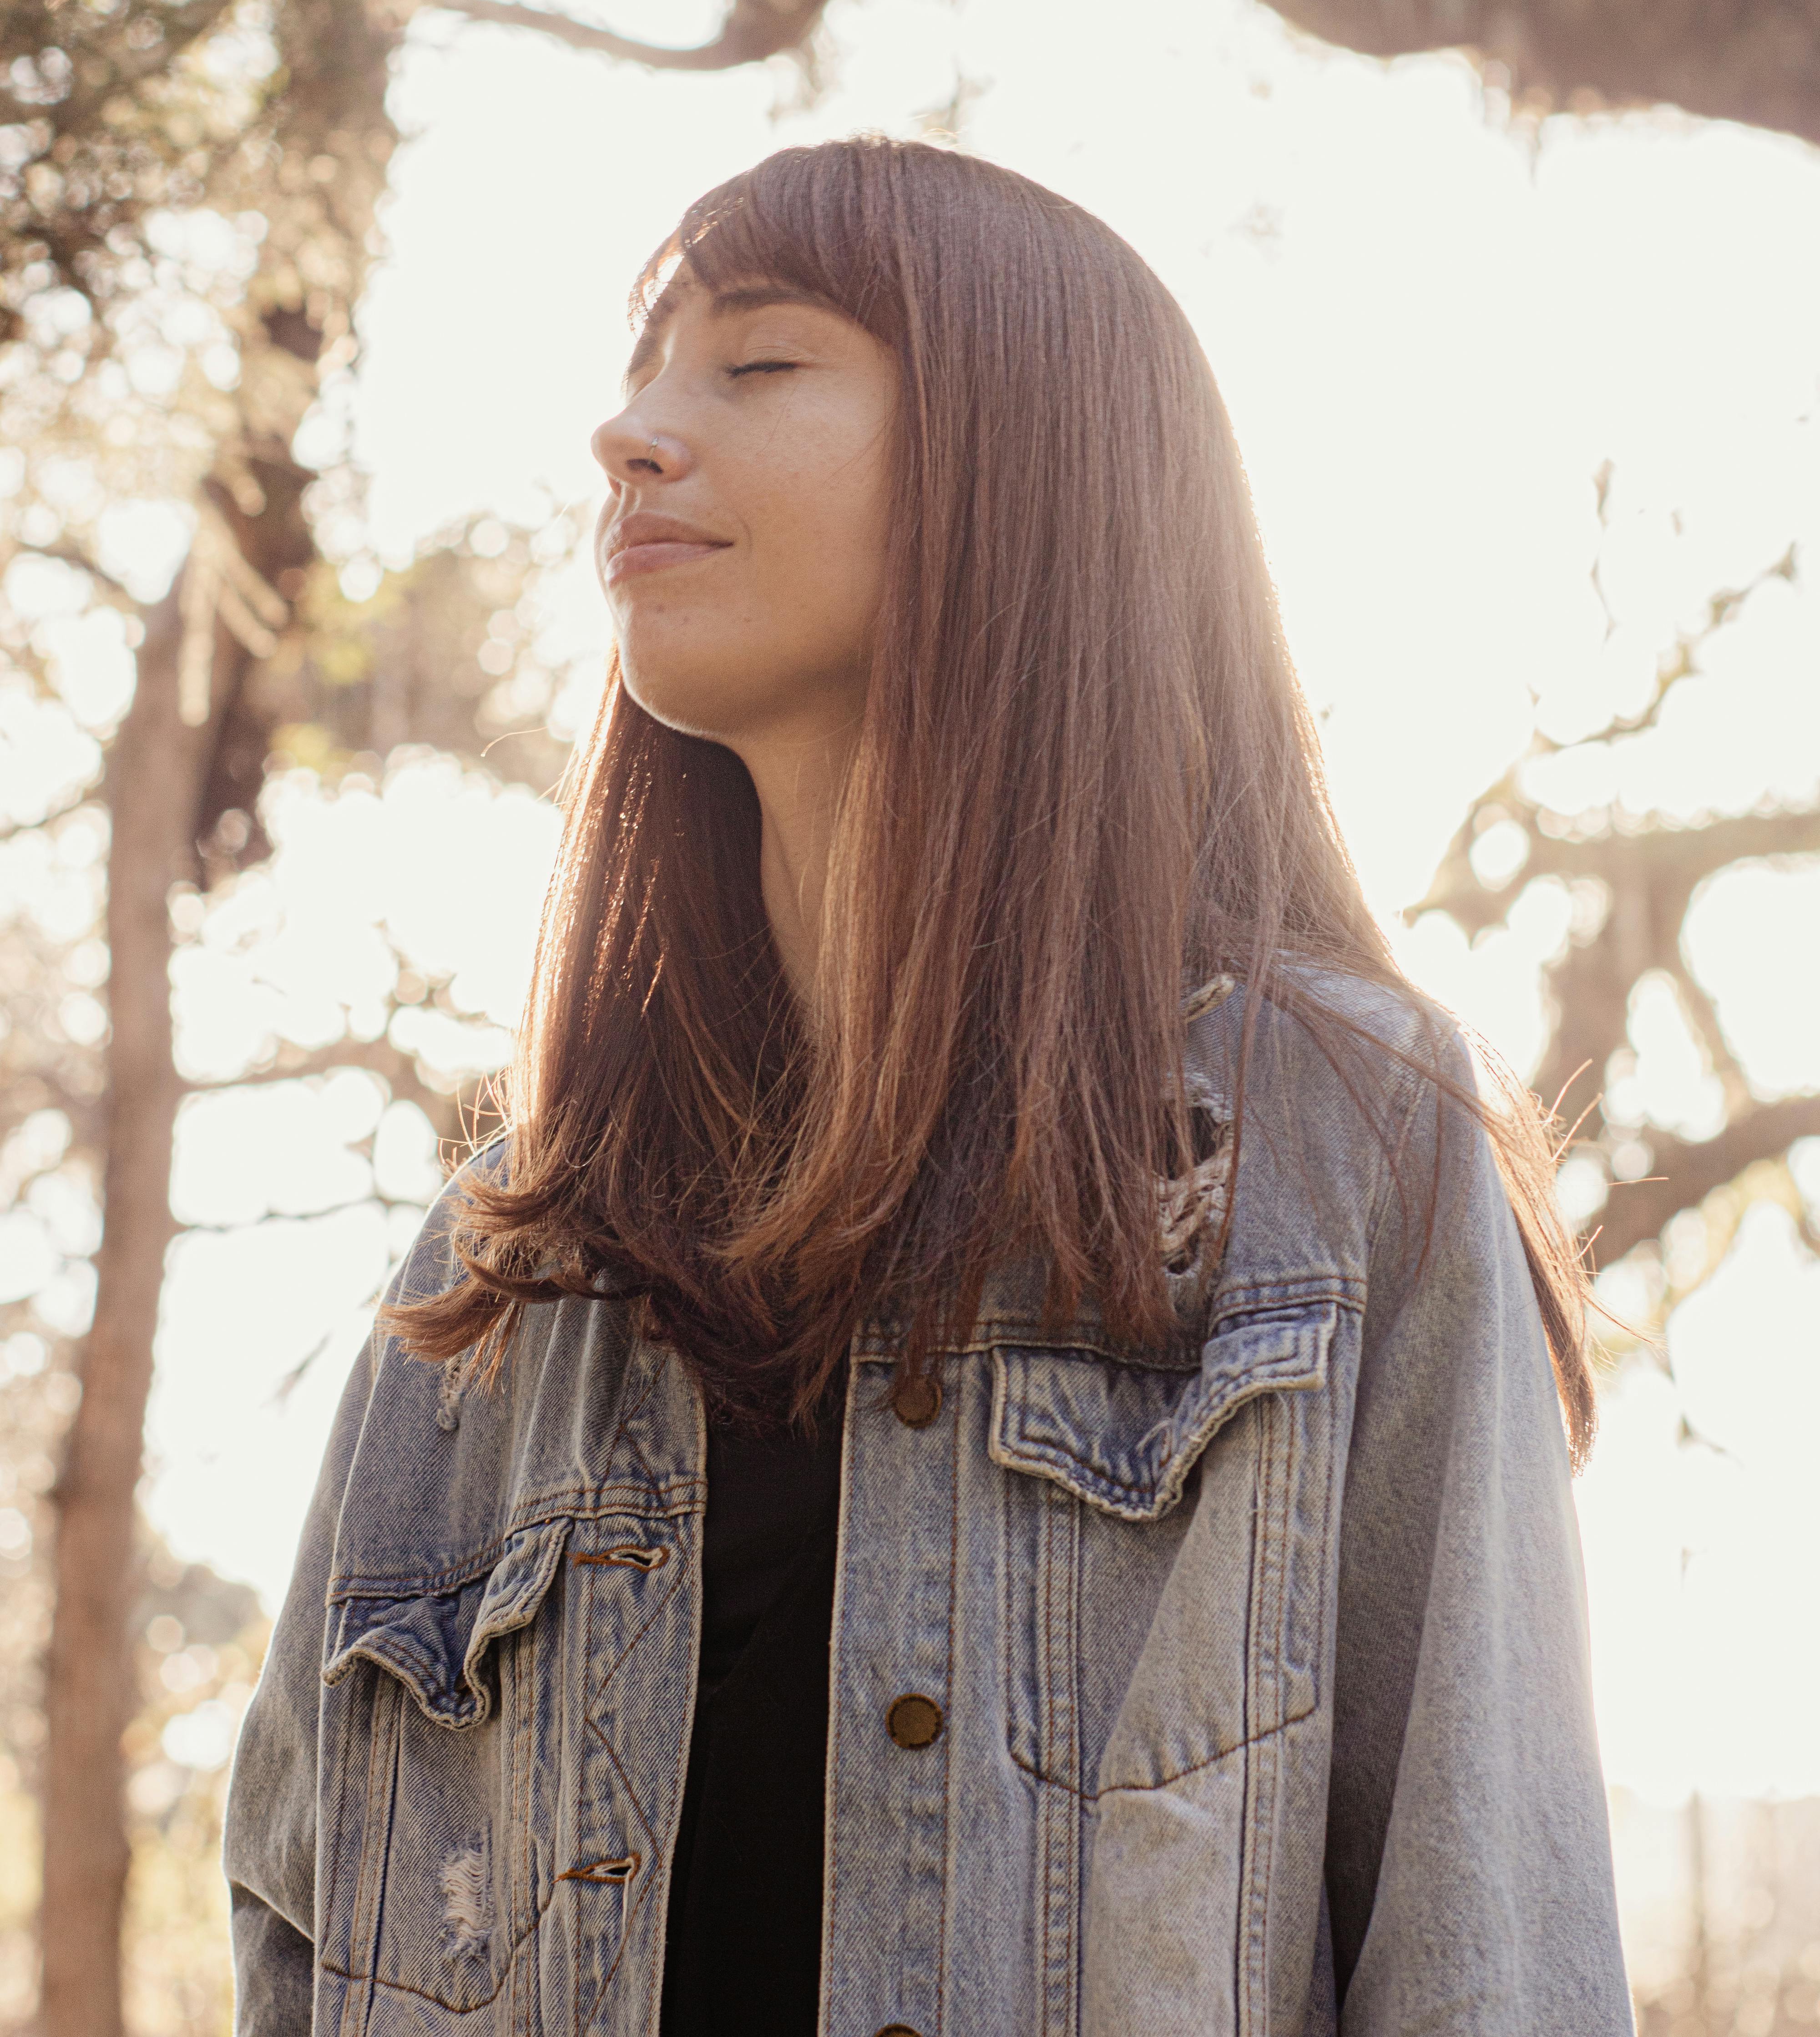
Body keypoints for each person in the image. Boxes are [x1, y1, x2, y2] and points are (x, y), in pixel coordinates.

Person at [224, 136, 1632, 2037]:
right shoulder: (497, 1271)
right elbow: (299, 1943)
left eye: (758, 362)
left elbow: (1492, 1960)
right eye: (646, 371)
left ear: (1030, 462)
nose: (629, 436)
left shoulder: (1341, 1144)